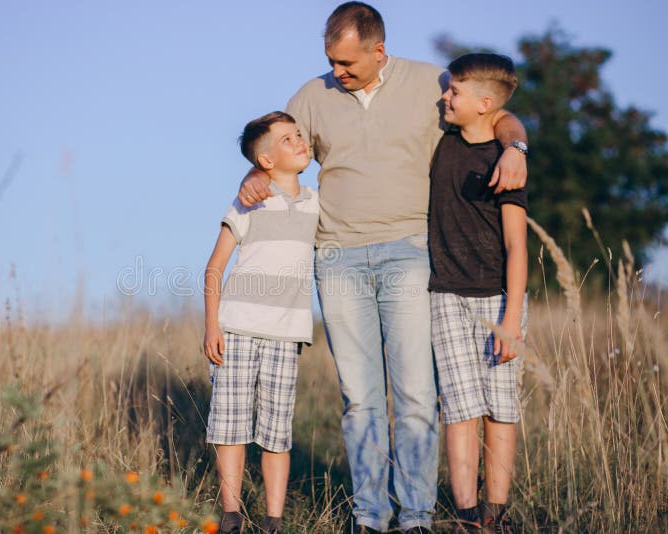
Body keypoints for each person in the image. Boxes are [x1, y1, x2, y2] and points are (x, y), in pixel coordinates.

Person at [237, 3, 529, 533]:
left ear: (379, 51)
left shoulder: (431, 84)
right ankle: (370, 515)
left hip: (410, 252)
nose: (337, 71)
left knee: (417, 394)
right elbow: (274, 149)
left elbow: (496, 113)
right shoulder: (312, 95)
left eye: (347, 63)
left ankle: (416, 517)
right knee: (360, 399)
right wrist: (251, 179)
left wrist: (517, 146)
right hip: (338, 257)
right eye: (331, 60)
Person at [203, 111, 318, 534]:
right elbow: (215, 267)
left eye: (299, 135)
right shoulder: (247, 201)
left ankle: (273, 520)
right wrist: (212, 326)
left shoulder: (315, 202)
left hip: (286, 335)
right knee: (230, 426)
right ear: (266, 160)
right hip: (236, 328)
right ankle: (231, 515)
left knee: (276, 433)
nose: (300, 141)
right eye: (287, 139)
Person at [428, 53, 528, 534]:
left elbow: (516, 245)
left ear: (485, 103)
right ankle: (466, 516)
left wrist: (511, 319)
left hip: (498, 299)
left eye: (455, 92)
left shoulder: (505, 162)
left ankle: (496, 513)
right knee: (460, 409)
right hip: (446, 294)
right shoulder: (442, 144)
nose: (445, 98)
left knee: (500, 410)